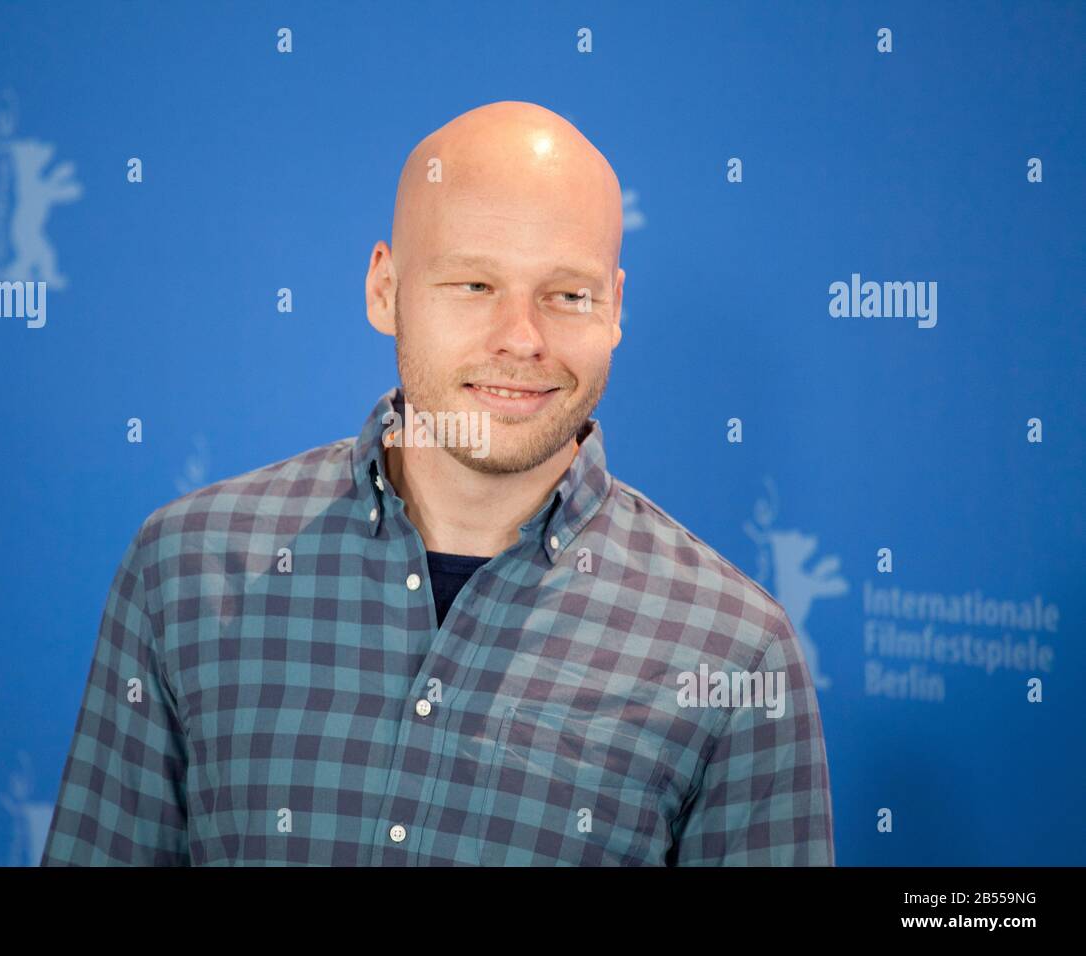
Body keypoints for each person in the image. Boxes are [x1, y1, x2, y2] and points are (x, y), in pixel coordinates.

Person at [41, 100, 834, 866]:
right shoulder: (185, 570)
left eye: (566, 294)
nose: (522, 339)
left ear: (615, 307)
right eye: (474, 285)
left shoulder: (733, 654)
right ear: (384, 290)